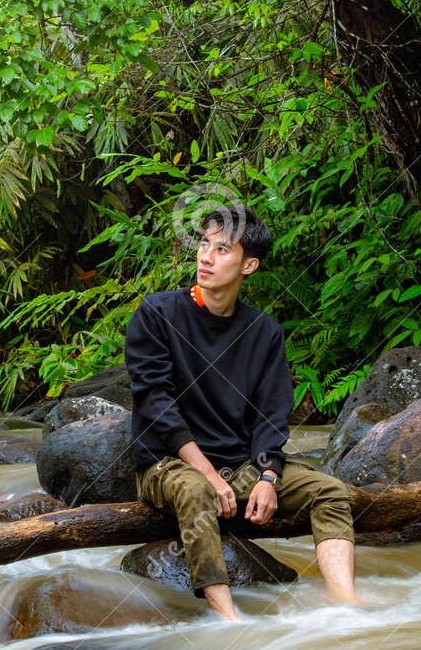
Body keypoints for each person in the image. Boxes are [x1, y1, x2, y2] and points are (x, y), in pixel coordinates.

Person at [125, 203, 359, 621]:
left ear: (248, 265)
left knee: (330, 492)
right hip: (168, 463)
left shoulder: (263, 332)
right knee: (196, 490)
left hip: (241, 466)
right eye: (203, 245)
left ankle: (345, 603)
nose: (205, 257)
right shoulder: (157, 314)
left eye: (222, 249)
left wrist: (268, 476)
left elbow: (271, 415)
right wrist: (210, 475)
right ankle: (229, 622)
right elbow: (156, 403)